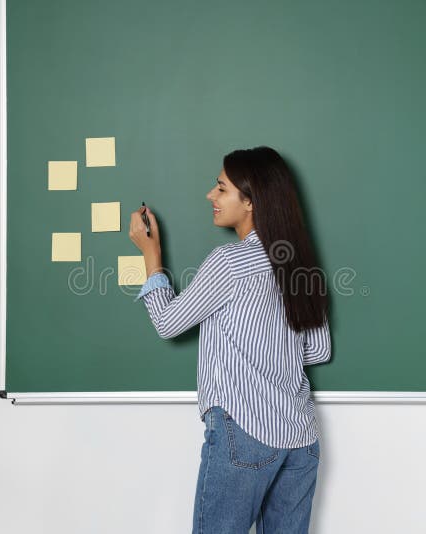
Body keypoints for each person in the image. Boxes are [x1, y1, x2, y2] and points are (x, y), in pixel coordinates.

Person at [128, 146, 331, 534]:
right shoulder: (301, 265)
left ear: (251, 201)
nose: (211, 196)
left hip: (244, 434)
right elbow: (318, 349)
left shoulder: (229, 262)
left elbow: (169, 322)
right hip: (300, 439)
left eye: (221, 189)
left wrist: (151, 255)